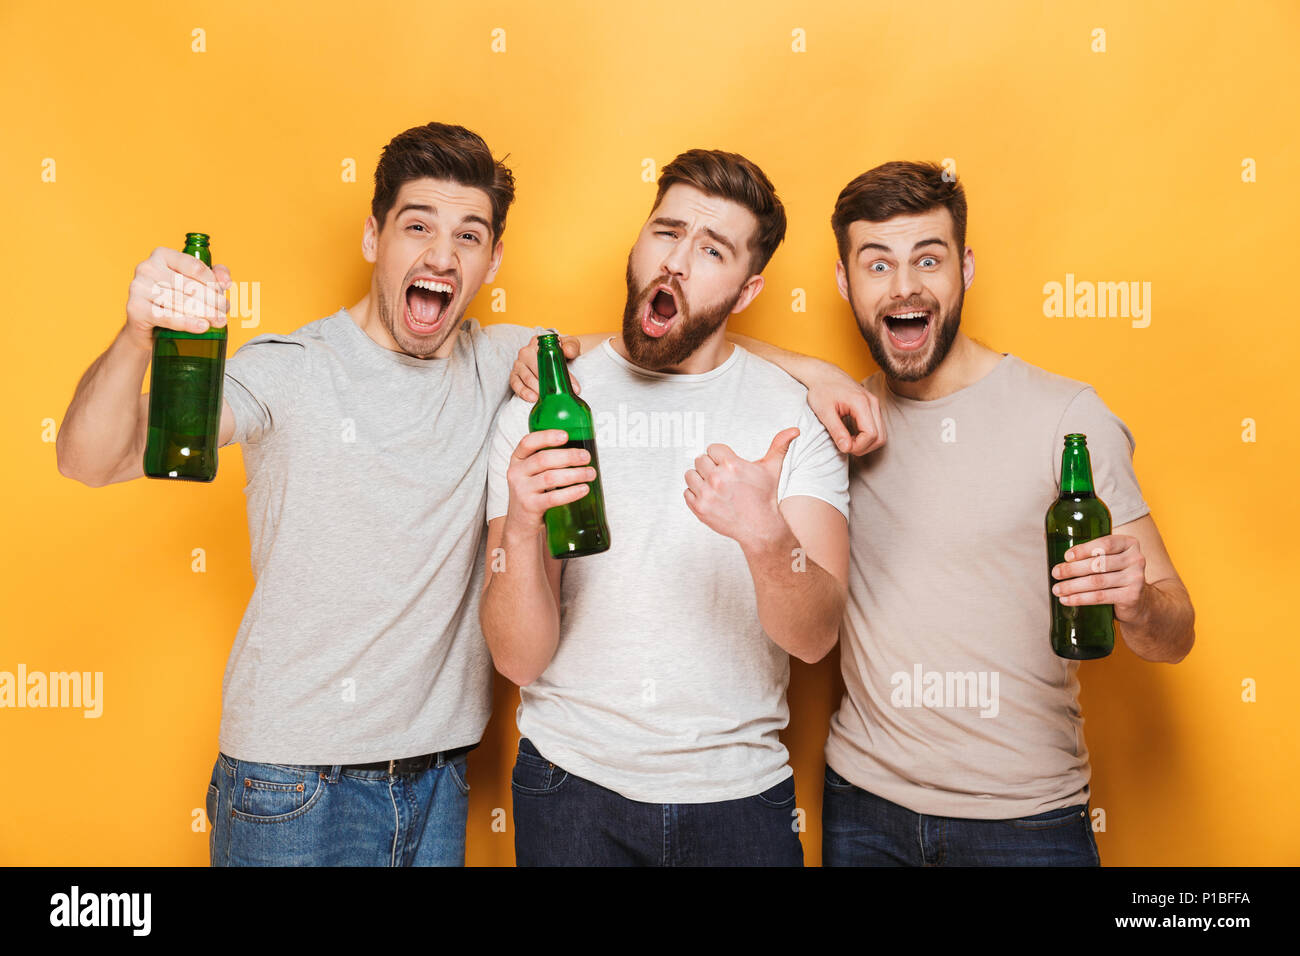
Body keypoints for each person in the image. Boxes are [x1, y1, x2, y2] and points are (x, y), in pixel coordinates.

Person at [55, 121, 553, 866]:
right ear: (372, 238)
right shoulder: (290, 369)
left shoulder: (503, 362)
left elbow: (654, 361)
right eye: (417, 226)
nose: (441, 256)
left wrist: (796, 369)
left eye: (468, 237)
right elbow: (90, 459)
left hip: (439, 779)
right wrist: (137, 335)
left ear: (493, 258)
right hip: (289, 785)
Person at [481, 148, 852, 866]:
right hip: (569, 790)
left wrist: (769, 539)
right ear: (638, 241)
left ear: (747, 292)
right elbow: (517, 658)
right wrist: (524, 529)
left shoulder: (794, 419)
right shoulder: (541, 408)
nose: (676, 262)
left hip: (741, 798)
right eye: (666, 231)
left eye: (711, 249)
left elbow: (814, 639)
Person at [819, 161, 1196, 866]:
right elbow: (711, 347)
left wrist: (1137, 600)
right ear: (845, 283)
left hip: (1024, 822)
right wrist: (815, 375)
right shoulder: (839, 419)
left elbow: (1174, 635)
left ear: (964, 268)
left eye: (928, 259)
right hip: (862, 809)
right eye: (877, 265)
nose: (904, 286)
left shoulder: (1065, 417)